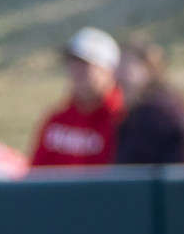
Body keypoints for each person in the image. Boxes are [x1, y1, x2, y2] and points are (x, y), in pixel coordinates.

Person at [30, 27, 127, 168]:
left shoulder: (122, 119)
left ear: (109, 70)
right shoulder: (56, 120)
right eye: (72, 62)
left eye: (85, 64)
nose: (76, 70)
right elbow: (36, 173)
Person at [113, 39, 184, 164]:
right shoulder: (141, 111)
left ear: (148, 69)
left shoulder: (159, 113)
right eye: (117, 68)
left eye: (125, 68)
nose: (117, 77)